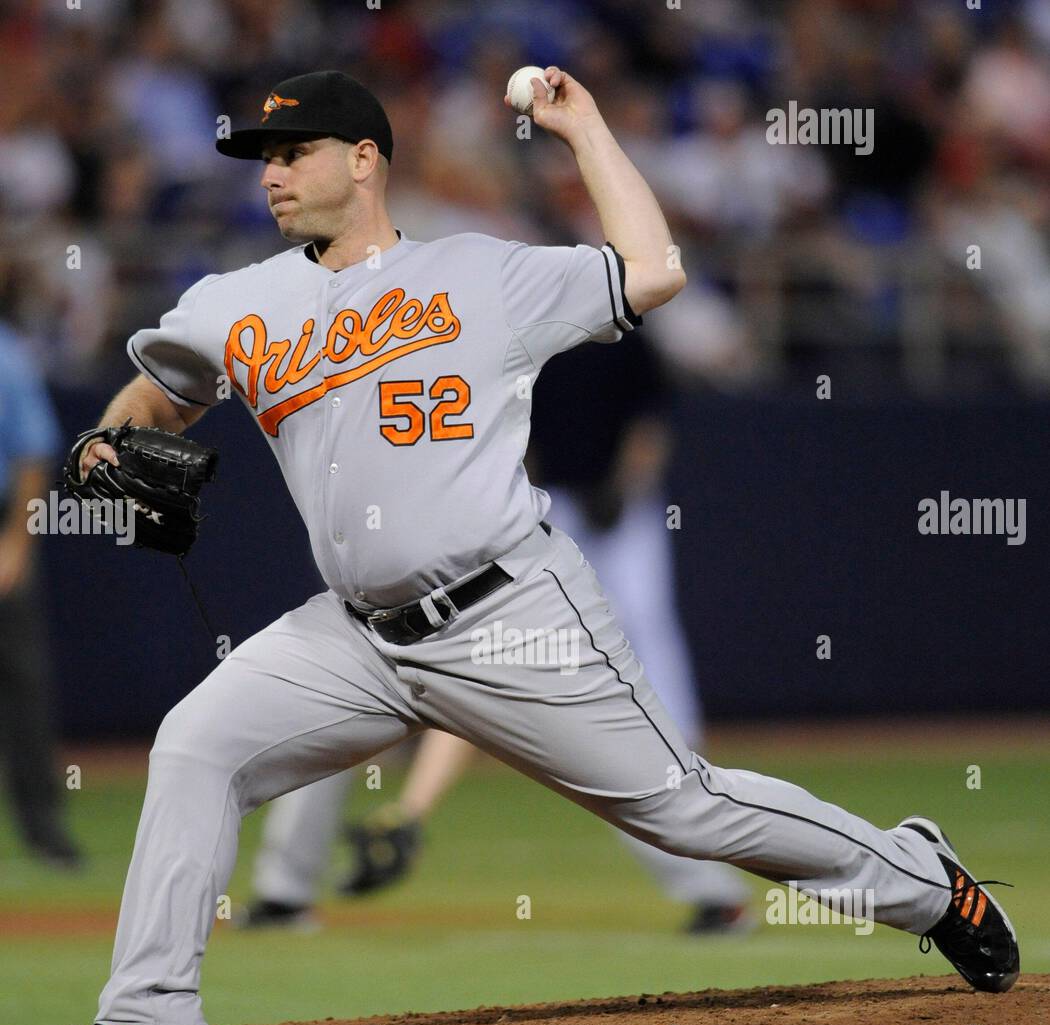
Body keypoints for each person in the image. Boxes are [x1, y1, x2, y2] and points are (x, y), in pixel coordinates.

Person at [22, 68, 1018, 1025]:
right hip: (353, 636)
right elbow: (159, 394)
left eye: (292, 153)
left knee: (686, 809)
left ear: (363, 160)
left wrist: (584, 130)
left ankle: (922, 879)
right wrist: (106, 440)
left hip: (508, 614)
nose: (270, 175)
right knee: (196, 746)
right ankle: (153, 1018)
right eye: (263, 159)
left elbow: (653, 271)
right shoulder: (239, 301)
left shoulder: (478, 274)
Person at [241, 332, 753, 935]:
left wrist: (411, 811)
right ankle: (283, 891)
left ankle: (716, 887)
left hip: (501, 555)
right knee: (333, 702)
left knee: (590, 713)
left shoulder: (514, 375)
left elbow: (474, 680)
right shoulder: (398, 467)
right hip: (434, 565)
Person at [0, 306, 82, 868]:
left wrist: (16, 544)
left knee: (22, 682)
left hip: (2, 524)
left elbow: (33, 450)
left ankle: (43, 828)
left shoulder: (6, 353)